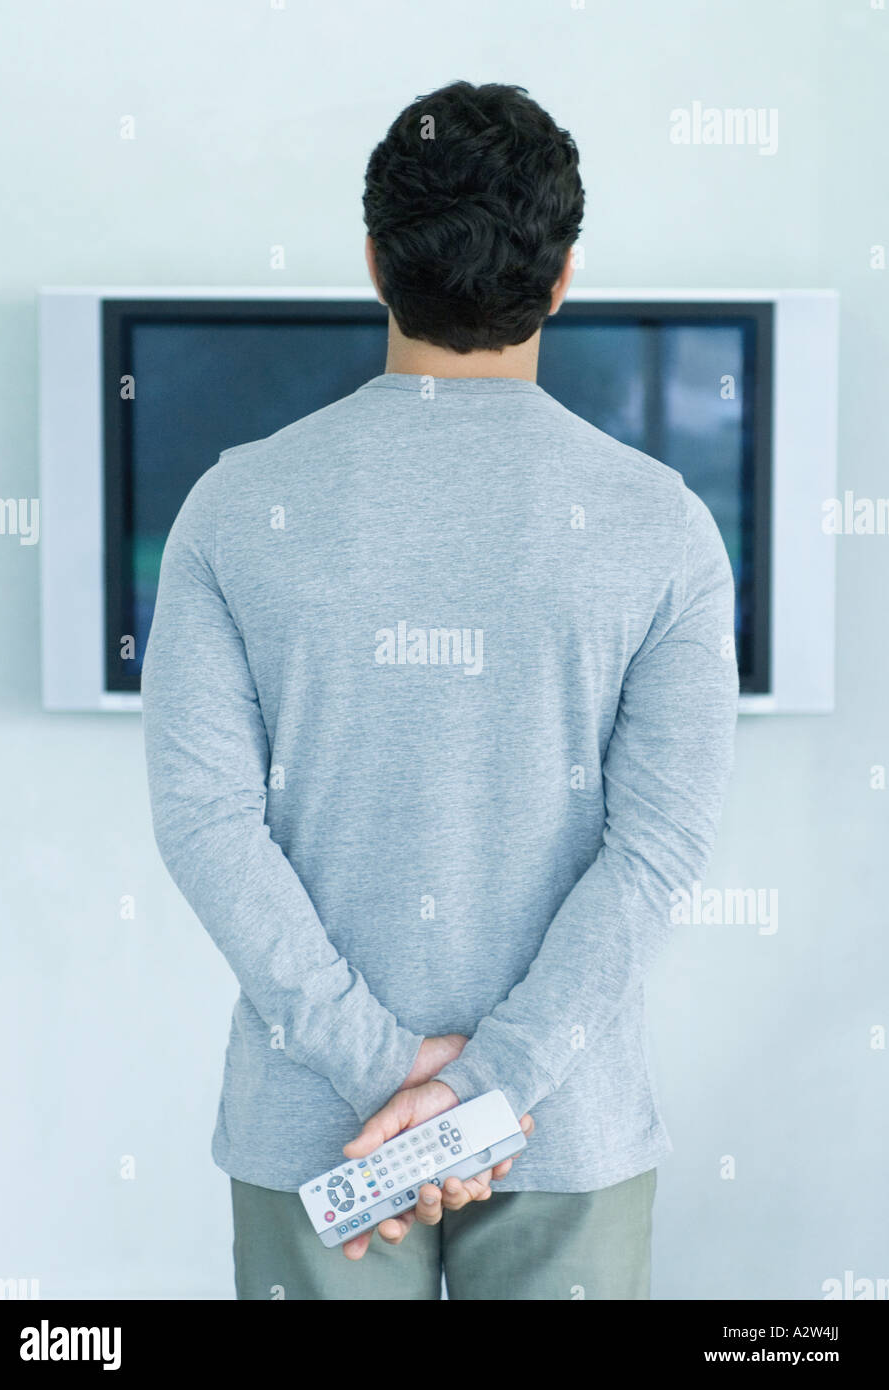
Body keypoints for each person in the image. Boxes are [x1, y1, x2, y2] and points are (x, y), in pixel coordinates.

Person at [141, 80, 739, 1301]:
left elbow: (207, 826)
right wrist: (486, 1090)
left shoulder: (230, 508)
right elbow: (657, 848)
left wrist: (389, 1072)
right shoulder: (663, 526)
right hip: (565, 1124)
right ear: (563, 275)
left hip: (321, 1131)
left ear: (374, 260)